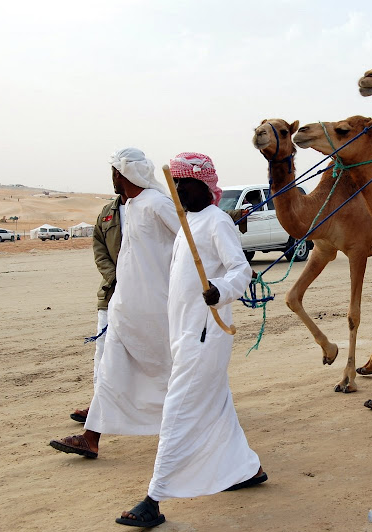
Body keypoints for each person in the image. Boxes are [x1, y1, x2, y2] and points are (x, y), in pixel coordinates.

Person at [116, 152, 265, 528]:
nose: (178, 190)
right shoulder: (187, 222)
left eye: (185, 184)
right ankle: (245, 469)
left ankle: (154, 498)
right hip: (184, 332)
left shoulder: (216, 222)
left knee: (178, 411)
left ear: (204, 186)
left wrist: (221, 290)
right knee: (216, 404)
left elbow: (240, 270)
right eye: (176, 184)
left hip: (207, 333)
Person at [49, 147, 180, 458]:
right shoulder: (129, 206)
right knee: (110, 368)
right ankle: (90, 438)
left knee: (170, 372)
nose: (112, 177)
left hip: (155, 308)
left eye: (114, 171)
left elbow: (191, 239)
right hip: (123, 307)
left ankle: (193, 432)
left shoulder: (157, 204)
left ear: (123, 174)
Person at [70, 173, 127, 424]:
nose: (114, 178)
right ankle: (98, 406)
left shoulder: (152, 207)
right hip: (111, 293)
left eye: (119, 173)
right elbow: (99, 249)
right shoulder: (107, 213)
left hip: (148, 295)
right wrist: (115, 277)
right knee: (103, 353)